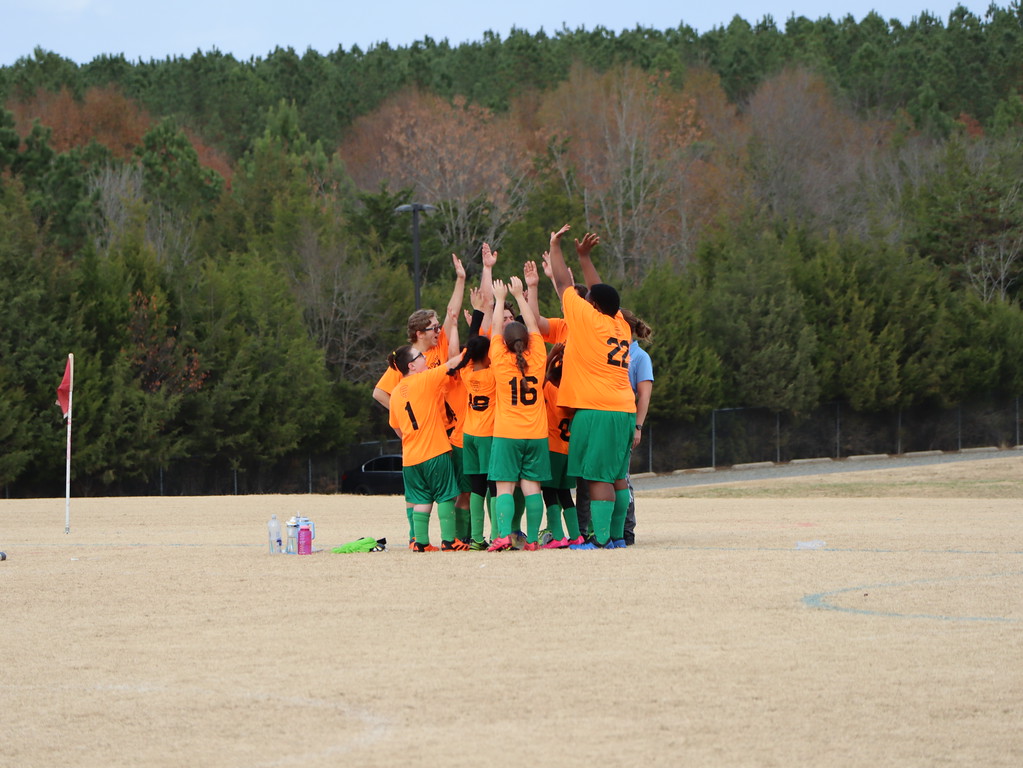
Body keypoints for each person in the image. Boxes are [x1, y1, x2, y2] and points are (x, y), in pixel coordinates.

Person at [546, 224, 635, 550]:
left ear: (592, 305)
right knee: (615, 475)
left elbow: (562, 283)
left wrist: (555, 245)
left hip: (598, 409)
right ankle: (616, 537)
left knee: (597, 476)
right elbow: (601, 292)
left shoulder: (587, 319)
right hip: (624, 408)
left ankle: (598, 539)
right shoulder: (620, 324)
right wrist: (584, 257)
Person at [372, 254, 467, 548]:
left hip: (448, 429)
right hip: (427, 437)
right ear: (418, 333)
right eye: (433, 327)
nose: (439, 330)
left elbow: (452, 313)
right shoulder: (407, 360)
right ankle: (425, 538)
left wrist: (461, 279)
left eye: (438, 326)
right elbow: (379, 393)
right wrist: (407, 421)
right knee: (436, 491)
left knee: (436, 489)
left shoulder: (435, 348)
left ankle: (433, 539)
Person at [486, 276, 550, 552]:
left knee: (504, 489)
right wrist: (520, 296)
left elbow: (494, 332)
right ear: (526, 341)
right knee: (532, 488)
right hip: (536, 434)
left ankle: (502, 537)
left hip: (507, 434)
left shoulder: (499, 359)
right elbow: (533, 325)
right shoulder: (538, 358)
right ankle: (533, 540)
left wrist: (500, 299)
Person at [387, 342, 468, 552]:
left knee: (421, 499)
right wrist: (471, 348)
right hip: (434, 451)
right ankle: (449, 540)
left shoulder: (395, 393)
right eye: (420, 356)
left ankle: (420, 542)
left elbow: (397, 429)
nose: (425, 358)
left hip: (411, 458)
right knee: (446, 496)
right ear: (411, 366)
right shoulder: (424, 379)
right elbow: (451, 364)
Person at [540, 343, 584, 548]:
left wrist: (552, 355)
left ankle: (557, 536)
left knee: (549, 493)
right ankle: (576, 535)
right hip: (568, 450)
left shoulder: (550, 388)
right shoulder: (574, 396)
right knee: (565, 494)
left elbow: (540, 377)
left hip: (552, 448)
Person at [621, 308, 654, 546]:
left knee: (623, 476)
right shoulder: (611, 353)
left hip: (626, 423)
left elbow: (643, 396)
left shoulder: (639, 357)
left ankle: (627, 528)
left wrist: (638, 427)